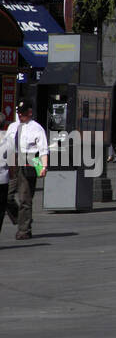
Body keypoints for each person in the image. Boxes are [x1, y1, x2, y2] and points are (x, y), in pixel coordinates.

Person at [5, 102, 48, 240]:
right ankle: (22, 218)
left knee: (25, 198)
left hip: (30, 160)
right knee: (7, 196)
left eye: (23, 113)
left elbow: (43, 150)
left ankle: (24, 230)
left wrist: (43, 167)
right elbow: (5, 145)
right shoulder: (13, 127)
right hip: (13, 160)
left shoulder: (37, 128)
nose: (20, 115)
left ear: (29, 112)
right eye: (19, 113)